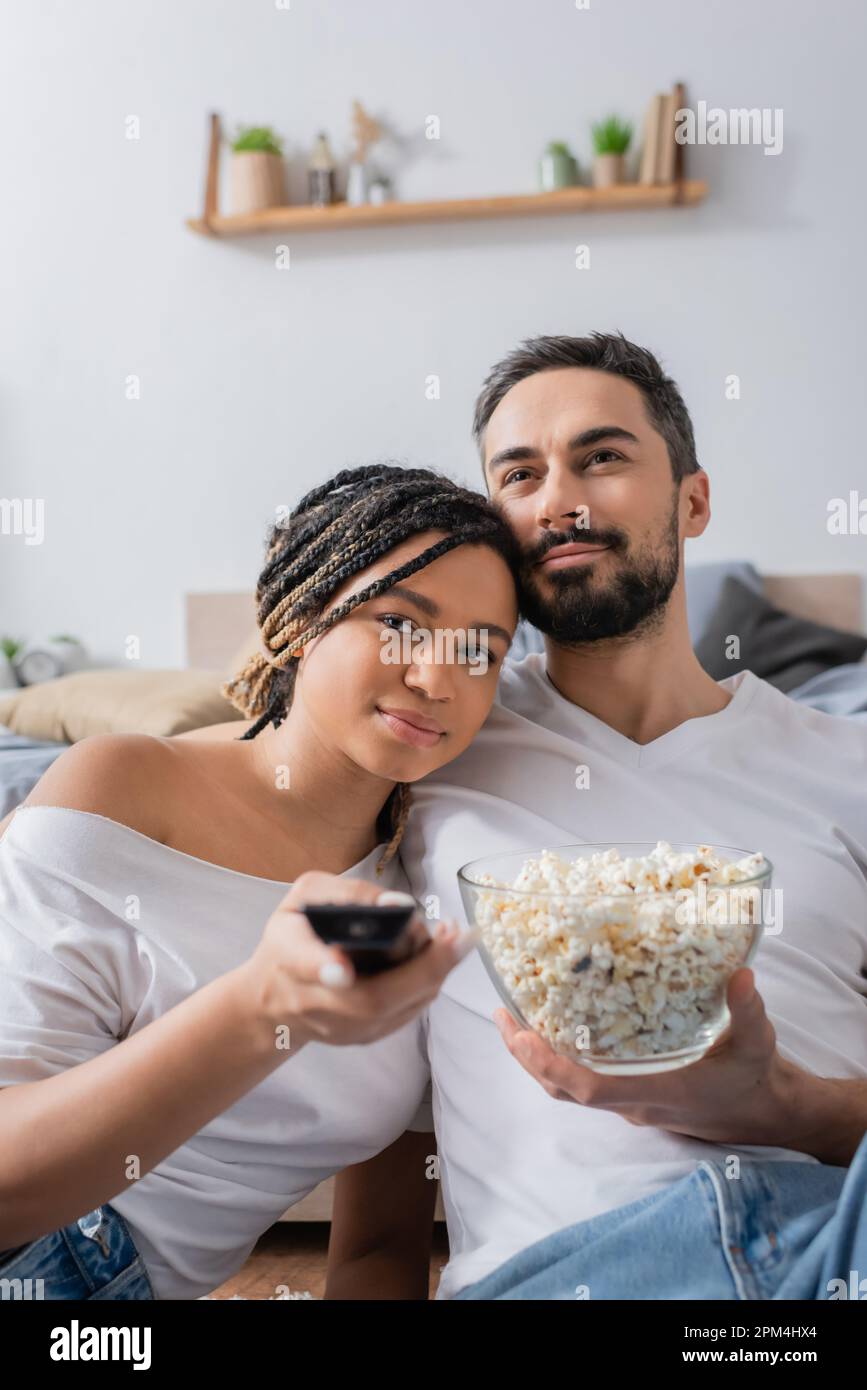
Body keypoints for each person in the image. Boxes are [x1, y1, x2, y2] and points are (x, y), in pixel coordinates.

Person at [329, 333, 867, 1301]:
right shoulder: (430, 757)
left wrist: (786, 1105)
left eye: (603, 457)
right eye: (520, 474)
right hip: (574, 1274)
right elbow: (375, 1239)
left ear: (692, 500)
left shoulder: (848, 767)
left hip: (832, 1242)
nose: (560, 499)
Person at [0, 463, 520, 1300]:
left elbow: (379, 1251)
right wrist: (259, 1005)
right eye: (397, 624)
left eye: (480, 652)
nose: (436, 680)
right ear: (303, 616)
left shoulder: (421, 893)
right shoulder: (124, 786)